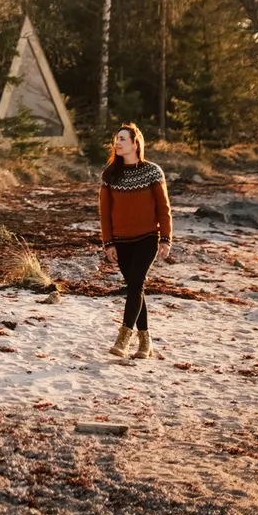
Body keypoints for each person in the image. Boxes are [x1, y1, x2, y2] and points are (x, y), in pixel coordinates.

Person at [98, 122, 172, 359]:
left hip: (147, 238)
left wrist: (166, 239)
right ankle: (146, 341)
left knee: (136, 284)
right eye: (116, 139)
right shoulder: (110, 175)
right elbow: (105, 213)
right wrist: (108, 243)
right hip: (120, 241)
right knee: (134, 288)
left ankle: (124, 337)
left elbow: (164, 208)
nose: (117, 143)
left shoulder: (152, 172)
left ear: (135, 143)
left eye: (122, 139)